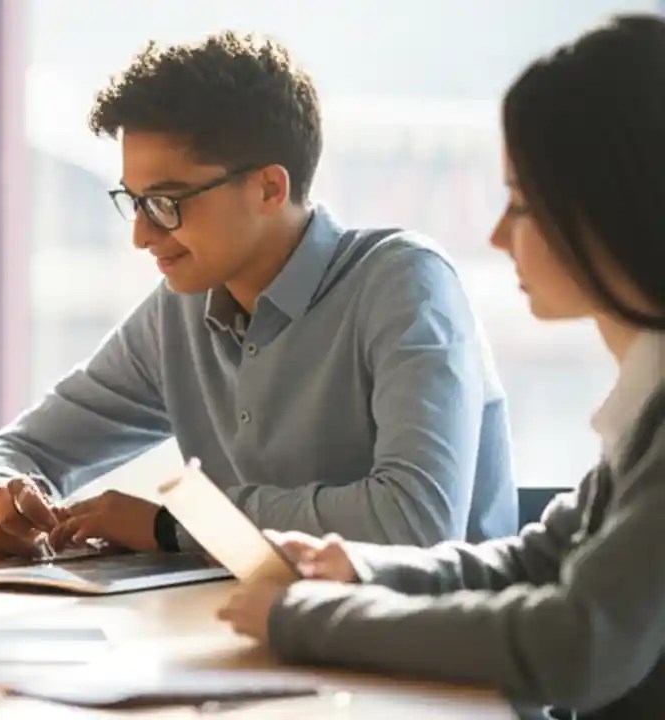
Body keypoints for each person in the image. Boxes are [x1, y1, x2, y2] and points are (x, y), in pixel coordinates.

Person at [218, 15, 665, 719]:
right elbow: (540, 562)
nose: (495, 234)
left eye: (521, 203)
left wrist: (301, 620)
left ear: (611, 209)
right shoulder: (646, 407)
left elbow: (575, 641)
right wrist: (362, 570)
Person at [0, 31, 515, 557]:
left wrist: (177, 523)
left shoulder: (406, 286)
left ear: (270, 188)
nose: (142, 234)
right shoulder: (180, 310)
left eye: (166, 202)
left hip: (430, 650)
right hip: (261, 638)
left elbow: (416, 523)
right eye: (135, 200)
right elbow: (18, 451)